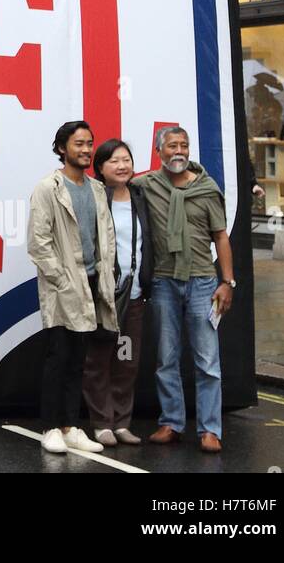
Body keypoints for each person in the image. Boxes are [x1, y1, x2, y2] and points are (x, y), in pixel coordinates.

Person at [137, 126, 234, 453]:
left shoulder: (207, 189)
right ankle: (171, 423)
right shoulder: (147, 185)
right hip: (163, 281)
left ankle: (210, 430)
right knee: (166, 358)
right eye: (172, 146)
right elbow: (114, 187)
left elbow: (221, 236)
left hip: (203, 282)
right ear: (159, 151)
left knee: (207, 361)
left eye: (184, 145)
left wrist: (227, 282)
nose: (178, 151)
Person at [26, 120, 118, 456]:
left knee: (80, 359)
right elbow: (38, 243)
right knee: (59, 357)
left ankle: (70, 426)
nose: (86, 149)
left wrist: (105, 276)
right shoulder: (47, 188)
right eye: (79, 143)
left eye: (89, 143)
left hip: (92, 282)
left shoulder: (96, 189)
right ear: (62, 148)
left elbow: (105, 237)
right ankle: (50, 428)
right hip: (62, 286)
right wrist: (62, 280)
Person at [83, 139, 154, 447]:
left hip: (134, 295)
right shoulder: (95, 197)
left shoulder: (140, 196)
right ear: (100, 167)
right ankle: (102, 423)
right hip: (103, 296)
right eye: (114, 161)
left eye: (126, 160)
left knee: (127, 360)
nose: (122, 166)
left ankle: (122, 422)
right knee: (99, 360)